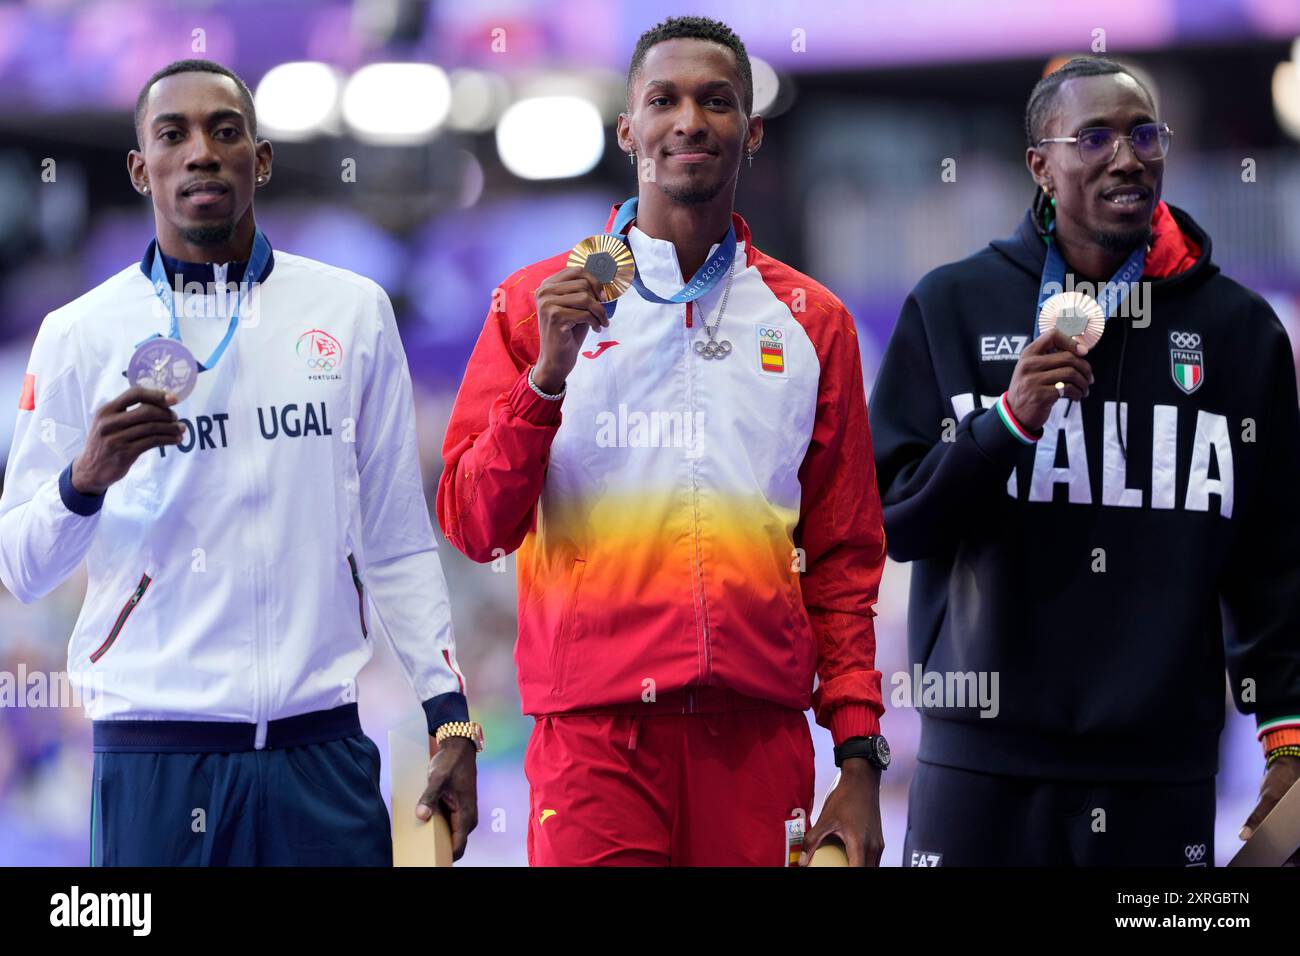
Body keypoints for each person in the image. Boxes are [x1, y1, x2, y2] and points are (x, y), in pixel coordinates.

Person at [0, 59, 478, 866]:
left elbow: (397, 536)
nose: (200, 153)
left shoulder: (350, 311)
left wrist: (450, 713)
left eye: (225, 132)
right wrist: (83, 482)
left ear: (259, 159)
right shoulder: (80, 334)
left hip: (319, 754)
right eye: (172, 134)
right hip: (155, 756)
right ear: (138, 167)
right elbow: (21, 568)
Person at [438, 16, 889, 867]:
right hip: (595, 745)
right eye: (664, 100)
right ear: (628, 130)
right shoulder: (532, 301)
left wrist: (860, 755)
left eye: (716, 101)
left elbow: (843, 555)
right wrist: (545, 382)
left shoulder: (813, 323)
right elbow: (472, 522)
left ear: (750, 133)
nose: (690, 120)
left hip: (758, 745)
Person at [870, 56, 1300, 866]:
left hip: (1158, 776)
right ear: (1041, 163)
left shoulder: (1242, 335)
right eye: (1093, 136)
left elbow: (1273, 563)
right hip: (981, 767)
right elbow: (896, 522)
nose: (1126, 157)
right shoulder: (953, 306)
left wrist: (1288, 739)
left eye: (1144, 134)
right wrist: (1006, 424)